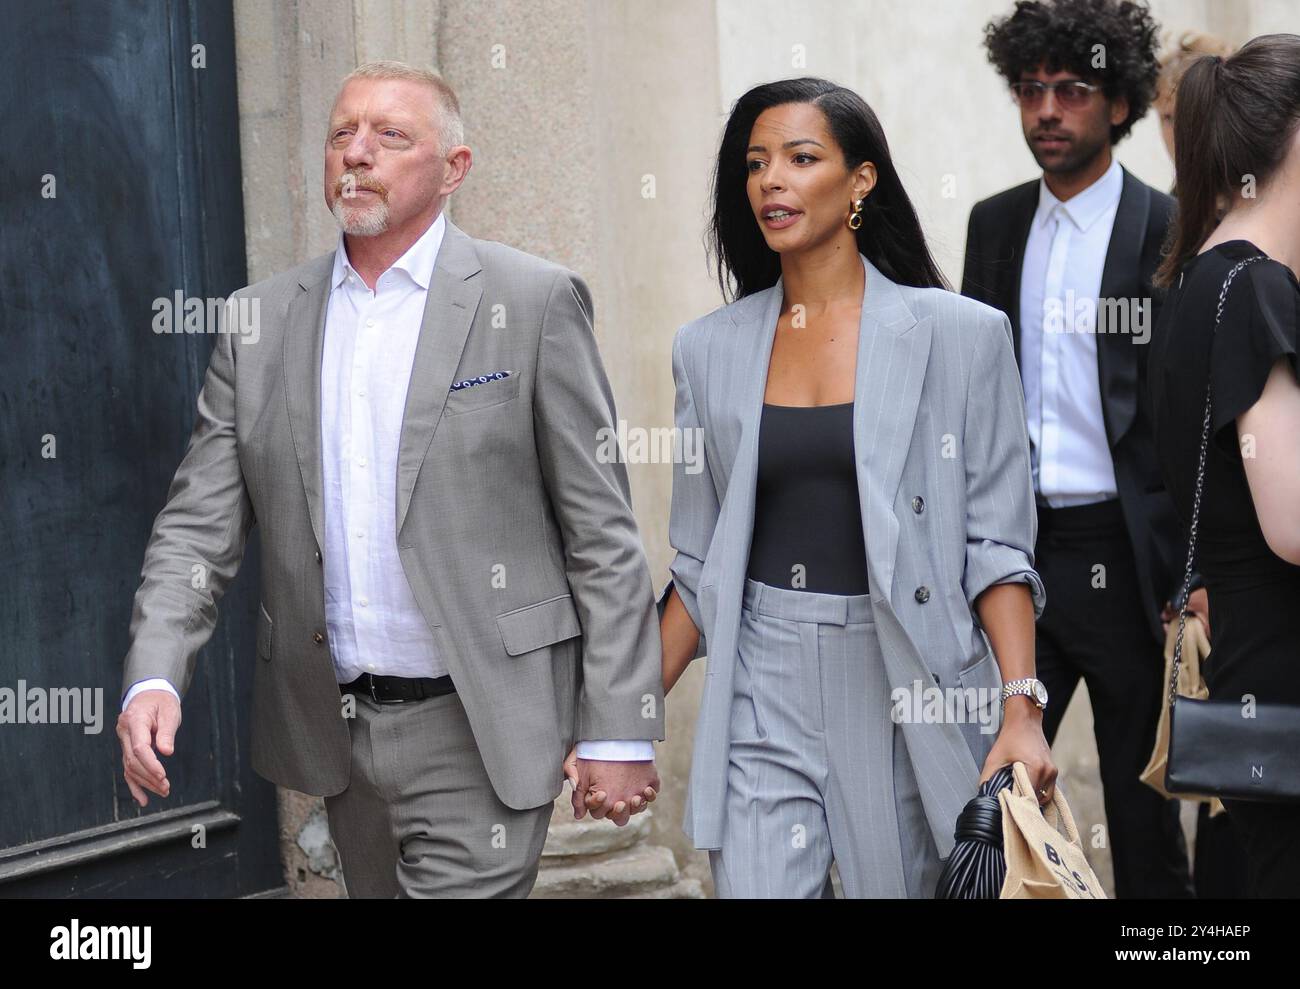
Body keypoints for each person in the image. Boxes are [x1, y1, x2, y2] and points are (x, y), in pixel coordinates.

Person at [115, 61, 663, 897]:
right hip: (334, 738)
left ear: (454, 168)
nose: (357, 153)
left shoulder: (533, 301)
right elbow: (199, 521)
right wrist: (156, 670)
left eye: (390, 135)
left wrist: (620, 726)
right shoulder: (258, 322)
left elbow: (602, 535)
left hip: (480, 721)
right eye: (342, 133)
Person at [657, 76, 1055, 899]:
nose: (772, 179)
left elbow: (996, 547)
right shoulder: (707, 349)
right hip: (761, 676)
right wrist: (619, 725)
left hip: (902, 665)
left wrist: (1022, 708)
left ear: (860, 181)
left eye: (802, 158)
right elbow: (698, 566)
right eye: (757, 163)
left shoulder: (961, 337)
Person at [961, 0, 1194, 898]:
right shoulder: (995, 224)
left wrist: (1194, 567)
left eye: (1073, 90)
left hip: (1131, 557)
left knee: (1144, 817)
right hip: (1020, 556)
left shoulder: (1166, 227)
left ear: (1123, 104)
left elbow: (1187, 408)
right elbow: (977, 395)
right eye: (1031, 90)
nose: (1048, 110)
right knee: (993, 790)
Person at [1149, 34, 1300, 898]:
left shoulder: (1209, 279)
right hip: (1282, 677)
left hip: (1255, 670)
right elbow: (1291, 521)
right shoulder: (1254, 287)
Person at [1154, 25, 1249, 900]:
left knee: (1236, 801)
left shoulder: (1218, 259)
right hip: (1218, 577)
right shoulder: (1213, 261)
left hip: (1224, 576)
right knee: (1226, 801)